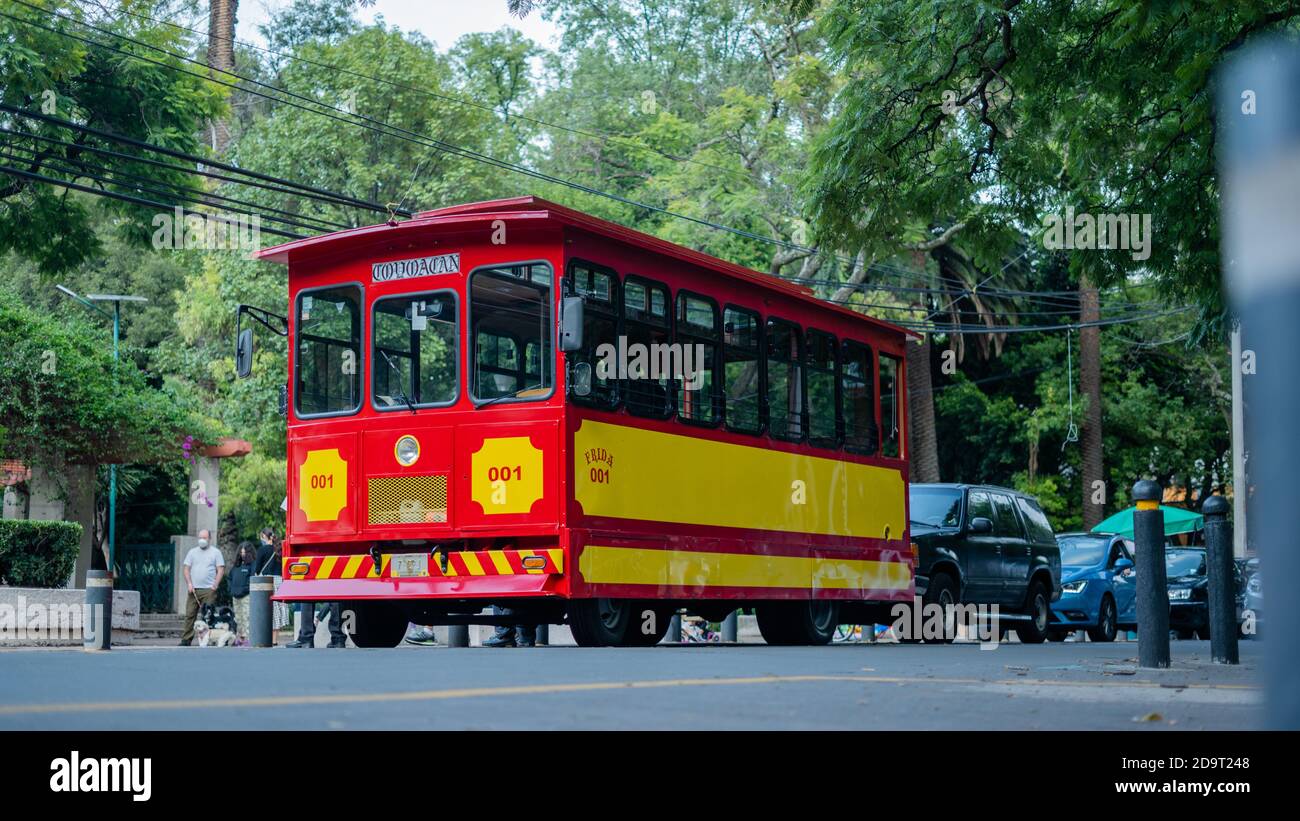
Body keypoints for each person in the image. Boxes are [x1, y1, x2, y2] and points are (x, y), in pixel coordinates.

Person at [180, 530, 225, 646]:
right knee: (190, 614)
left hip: (209, 590)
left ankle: (208, 638)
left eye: (204, 538)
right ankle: (186, 639)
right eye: (200, 537)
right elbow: (186, 569)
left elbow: (220, 569)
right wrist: (189, 583)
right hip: (194, 589)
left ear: (209, 539)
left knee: (208, 615)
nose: (202, 540)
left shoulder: (215, 552)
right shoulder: (192, 552)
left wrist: (215, 584)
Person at [228, 543, 256, 644]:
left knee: (246, 617)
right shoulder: (236, 566)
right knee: (238, 618)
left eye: (244, 552)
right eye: (241, 552)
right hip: (235, 596)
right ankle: (239, 638)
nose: (242, 554)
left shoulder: (252, 565)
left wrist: (245, 589)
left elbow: (252, 579)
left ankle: (248, 639)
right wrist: (231, 589)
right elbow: (230, 578)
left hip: (246, 596)